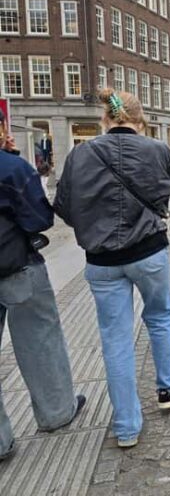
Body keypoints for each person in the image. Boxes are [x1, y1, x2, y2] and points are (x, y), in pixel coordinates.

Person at [54, 90, 170, 450]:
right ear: (140, 120)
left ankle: (126, 425)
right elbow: (165, 190)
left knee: (114, 337)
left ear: (105, 119)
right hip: (148, 252)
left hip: (102, 260)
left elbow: (63, 206)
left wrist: (94, 226)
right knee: (159, 317)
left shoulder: (80, 154)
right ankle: (169, 385)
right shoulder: (158, 150)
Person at [0, 110, 86, 463]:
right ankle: (56, 411)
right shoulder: (11, 168)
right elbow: (39, 218)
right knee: (40, 340)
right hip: (15, 264)